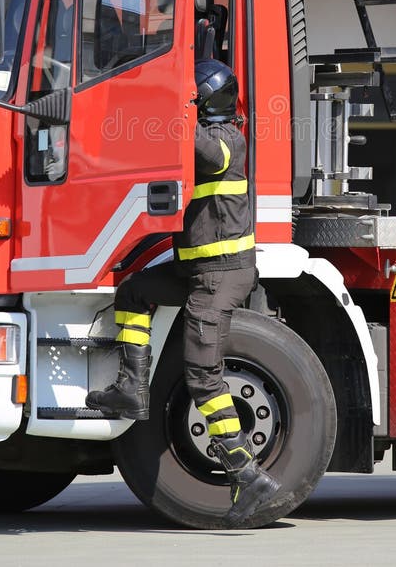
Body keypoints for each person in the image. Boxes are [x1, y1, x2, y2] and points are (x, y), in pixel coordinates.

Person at [85, 58, 280, 526]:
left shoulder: (226, 143)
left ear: (209, 102)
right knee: (134, 291)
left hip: (220, 275)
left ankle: (246, 474)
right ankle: (133, 387)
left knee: (202, 377)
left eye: (196, 99)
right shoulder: (213, 137)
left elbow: (187, 140)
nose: (190, 106)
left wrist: (161, 101)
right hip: (196, 269)